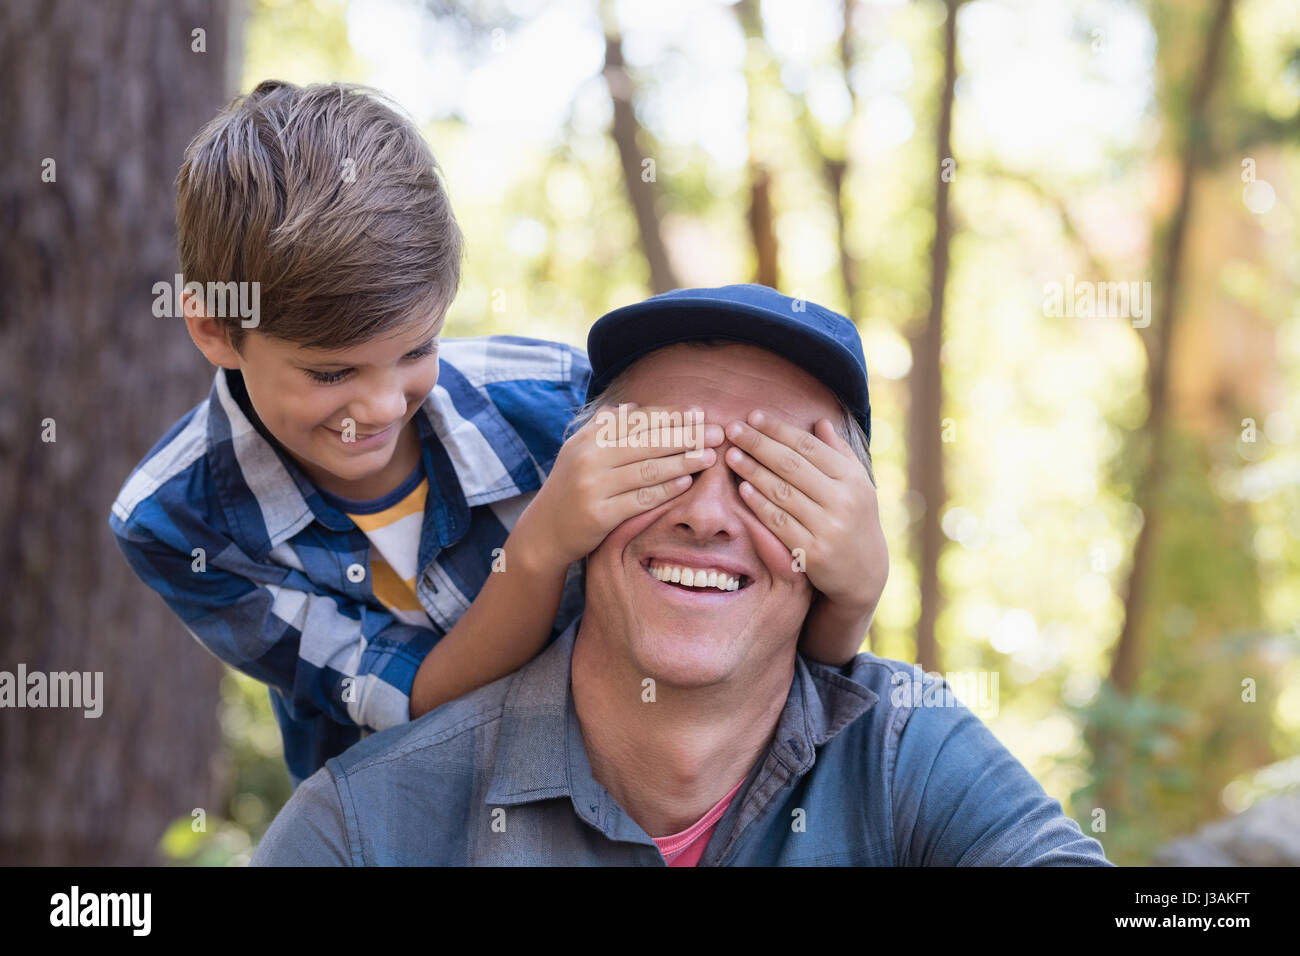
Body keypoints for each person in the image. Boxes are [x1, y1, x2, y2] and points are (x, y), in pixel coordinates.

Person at [108, 82, 866, 788]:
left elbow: (760, 637)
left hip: (616, 798)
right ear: (213, 327)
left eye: (414, 352)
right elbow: (411, 702)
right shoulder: (175, 520)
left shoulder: (555, 397)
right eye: (331, 374)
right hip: (396, 821)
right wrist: (541, 546)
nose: (378, 406)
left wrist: (854, 593)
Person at [251, 284, 1112, 866]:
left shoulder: (904, 755)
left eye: (772, 475)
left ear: (846, 536)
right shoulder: (366, 827)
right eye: (661, 459)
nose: (707, 513)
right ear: (577, 495)